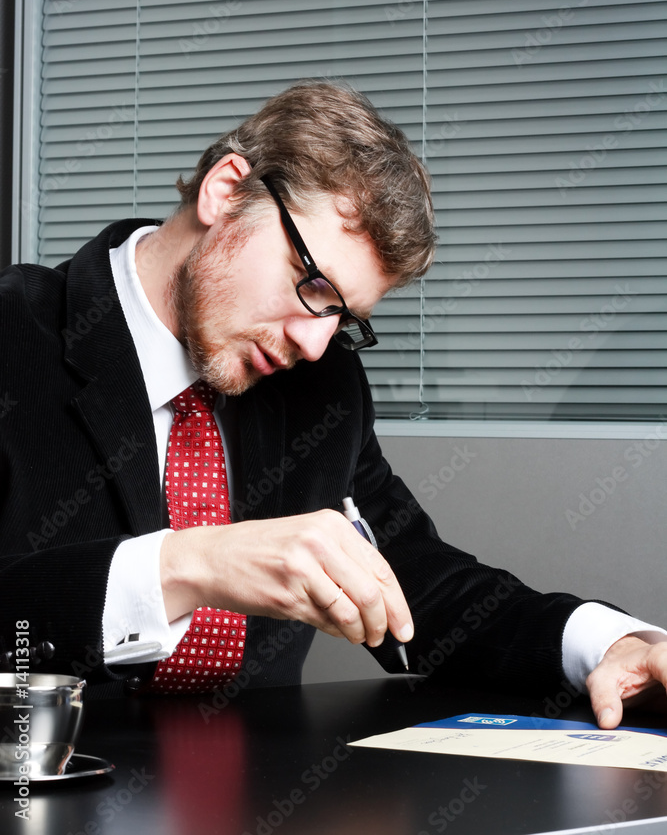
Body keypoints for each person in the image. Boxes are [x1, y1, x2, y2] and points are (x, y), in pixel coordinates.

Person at [0, 79, 665, 724]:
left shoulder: (318, 390)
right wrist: (186, 566)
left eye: (341, 317)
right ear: (226, 191)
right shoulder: (12, 333)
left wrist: (614, 648)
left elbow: (421, 587)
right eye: (310, 285)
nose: (316, 343)